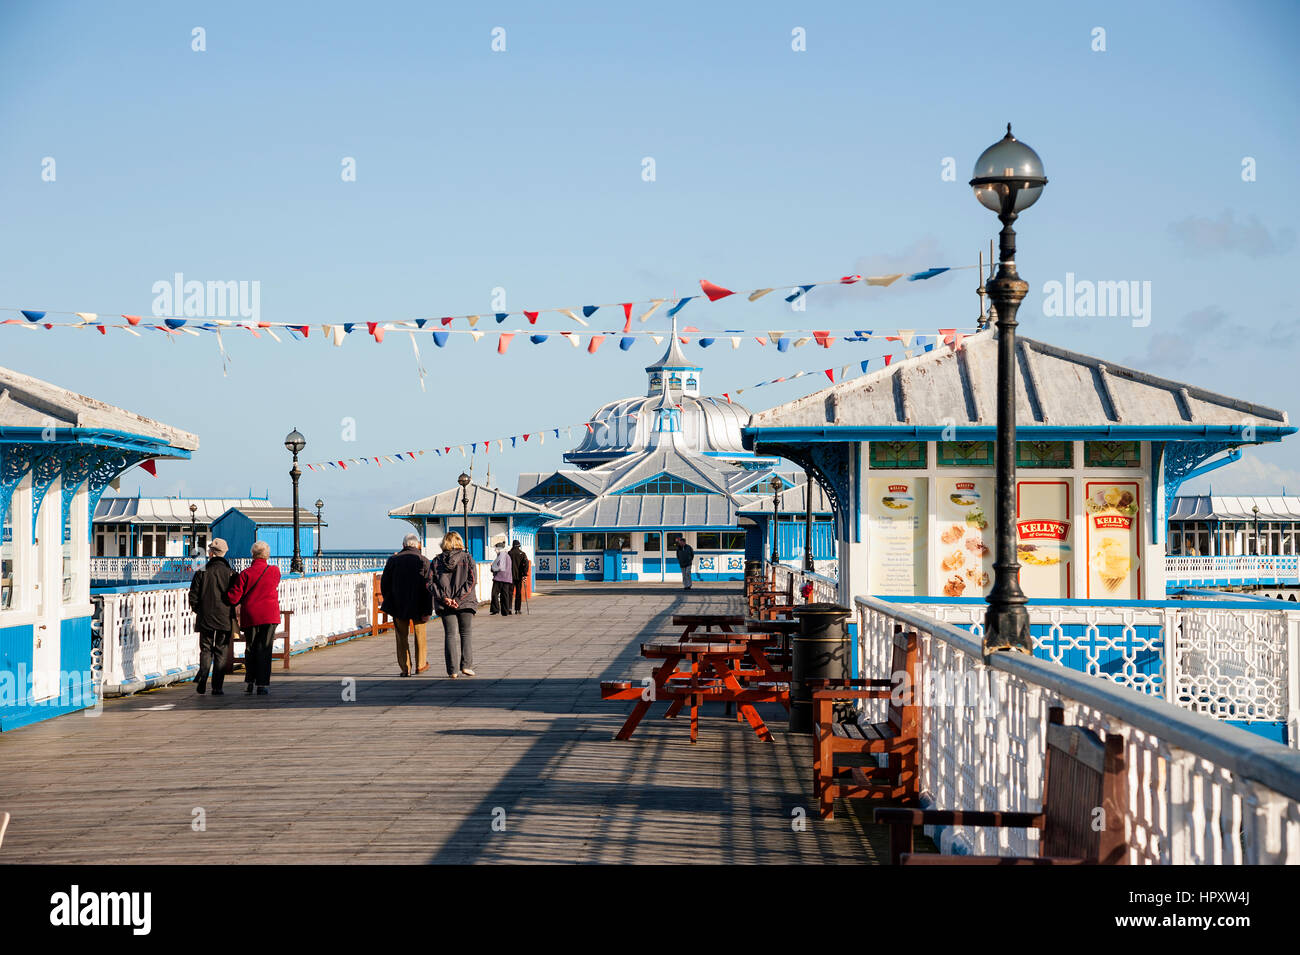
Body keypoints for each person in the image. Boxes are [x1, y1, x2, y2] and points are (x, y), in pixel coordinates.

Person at [226, 540, 282, 695]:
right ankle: (262, 684)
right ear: (267, 555)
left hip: (250, 615)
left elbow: (233, 597)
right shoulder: (274, 571)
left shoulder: (245, 574)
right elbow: (274, 584)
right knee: (265, 648)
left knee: (250, 648)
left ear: (253, 554)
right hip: (270, 615)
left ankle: (249, 681)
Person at [380, 533, 433, 676]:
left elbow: (385, 583)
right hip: (420, 604)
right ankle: (421, 665)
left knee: (401, 636)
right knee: (420, 634)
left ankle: (405, 668)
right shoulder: (424, 560)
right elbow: (430, 584)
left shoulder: (393, 560)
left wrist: (389, 598)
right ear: (418, 546)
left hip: (398, 604)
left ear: (403, 545)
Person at [188, 538, 235, 695]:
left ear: (211, 553)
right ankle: (217, 687)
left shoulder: (202, 571)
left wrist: (198, 610)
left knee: (206, 649)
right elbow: (236, 596)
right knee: (221, 651)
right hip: (224, 616)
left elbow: (193, 594)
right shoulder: (231, 573)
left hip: (205, 616)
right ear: (224, 553)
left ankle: (203, 677)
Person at [432, 530, 477, 678]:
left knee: (450, 635)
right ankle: (466, 666)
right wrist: (458, 599)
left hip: (445, 604)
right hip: (465, 602)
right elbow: (472, 580)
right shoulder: (467, 558)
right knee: (466, 633)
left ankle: (452, 670)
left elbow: (431, 584)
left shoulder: (437, 561)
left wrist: (445, 598)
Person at [489, 541, 514, 616]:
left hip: (500, 578)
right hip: (507, 578)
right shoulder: (507, 555)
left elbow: (500, 567)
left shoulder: (501, 555)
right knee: (504, 595)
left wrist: (492, 568)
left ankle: (495, 609)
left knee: (494, 594)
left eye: (496, 549)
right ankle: (505, 610)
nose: (495, 550)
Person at [509, 540, 531, 614]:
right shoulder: (522, 554)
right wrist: (524, 574)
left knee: (510, 593)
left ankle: (509, 608)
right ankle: (517, 609)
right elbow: (526, 564)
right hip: (519, 576)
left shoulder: (509, 553)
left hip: (510, 576)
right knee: (518, 593)